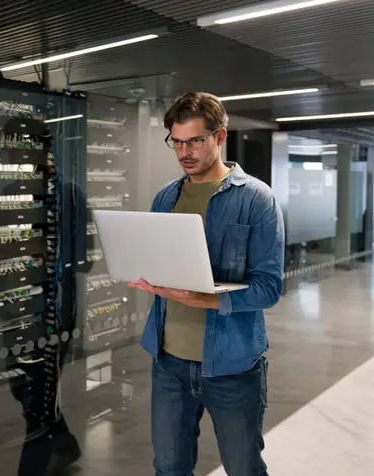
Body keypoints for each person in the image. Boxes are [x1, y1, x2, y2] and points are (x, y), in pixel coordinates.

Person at [129, 92, 285, 476]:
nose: (185, 151)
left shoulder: (256, 199)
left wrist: (207, 300)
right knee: (169, 467)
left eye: (195, 140)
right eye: (177, 142)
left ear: (220, 137)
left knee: (243, 468)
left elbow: (269, 288)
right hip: (169, 362)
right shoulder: (166, 197)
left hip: (232, 364)